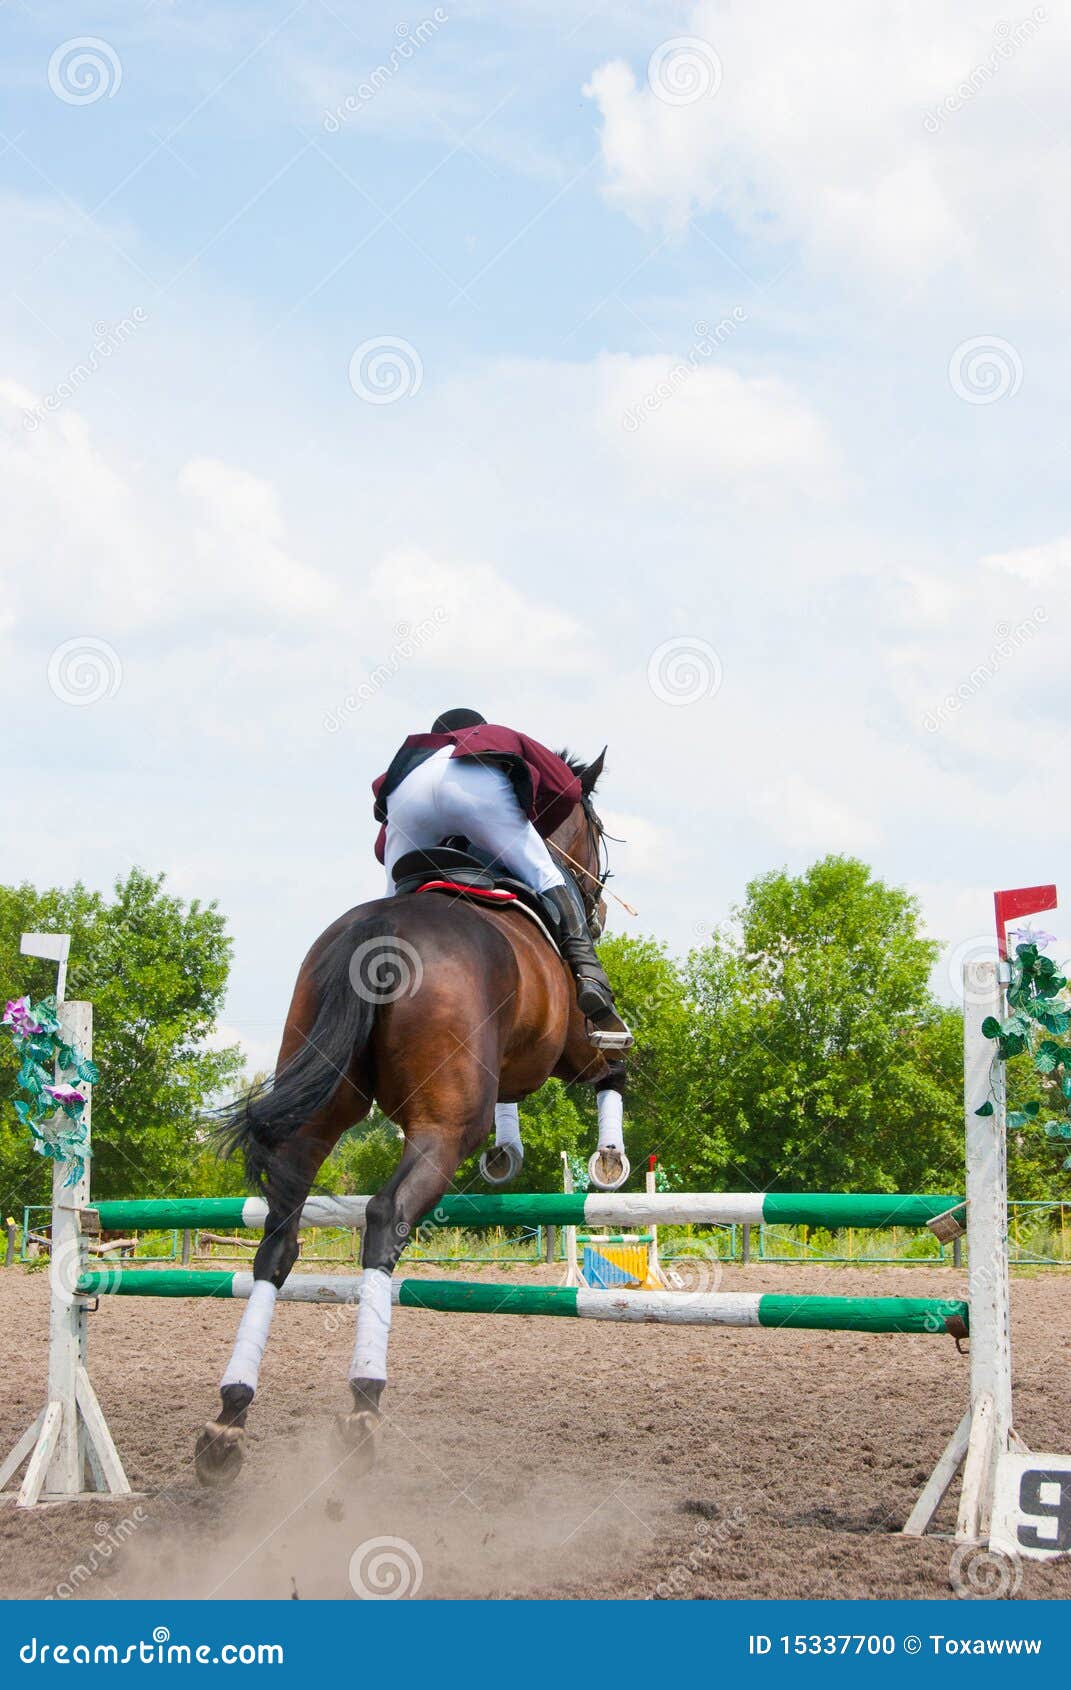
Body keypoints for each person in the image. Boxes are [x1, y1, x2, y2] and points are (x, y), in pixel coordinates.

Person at [372, 709, 630, 1041]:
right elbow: (566, 791)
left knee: (389, 906)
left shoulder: (416, 756)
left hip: (409, 798)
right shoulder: (493, 735)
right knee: (546, 875)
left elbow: (382, 852)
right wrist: (527, 831)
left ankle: (373, 981)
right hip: (476, 790)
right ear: (476, 729)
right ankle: (590, 977)